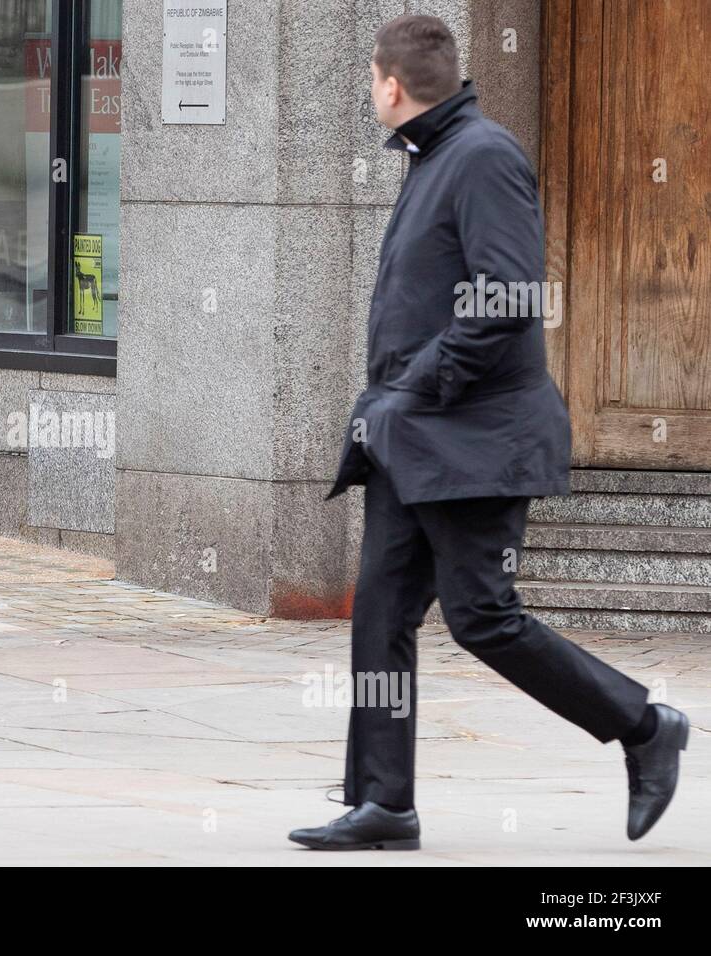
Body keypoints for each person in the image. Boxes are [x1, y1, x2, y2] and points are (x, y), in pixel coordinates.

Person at [289, 14, 688, 851]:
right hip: (414, 445)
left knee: (484, 617)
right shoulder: (434, 155)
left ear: (390, 84)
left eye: (370, 78)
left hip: (475, 444)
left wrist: (408, 394)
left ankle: (645, 725)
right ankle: (383, 801)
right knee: (381, 618)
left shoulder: (482, 156)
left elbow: (508, 301)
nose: (372, 90)